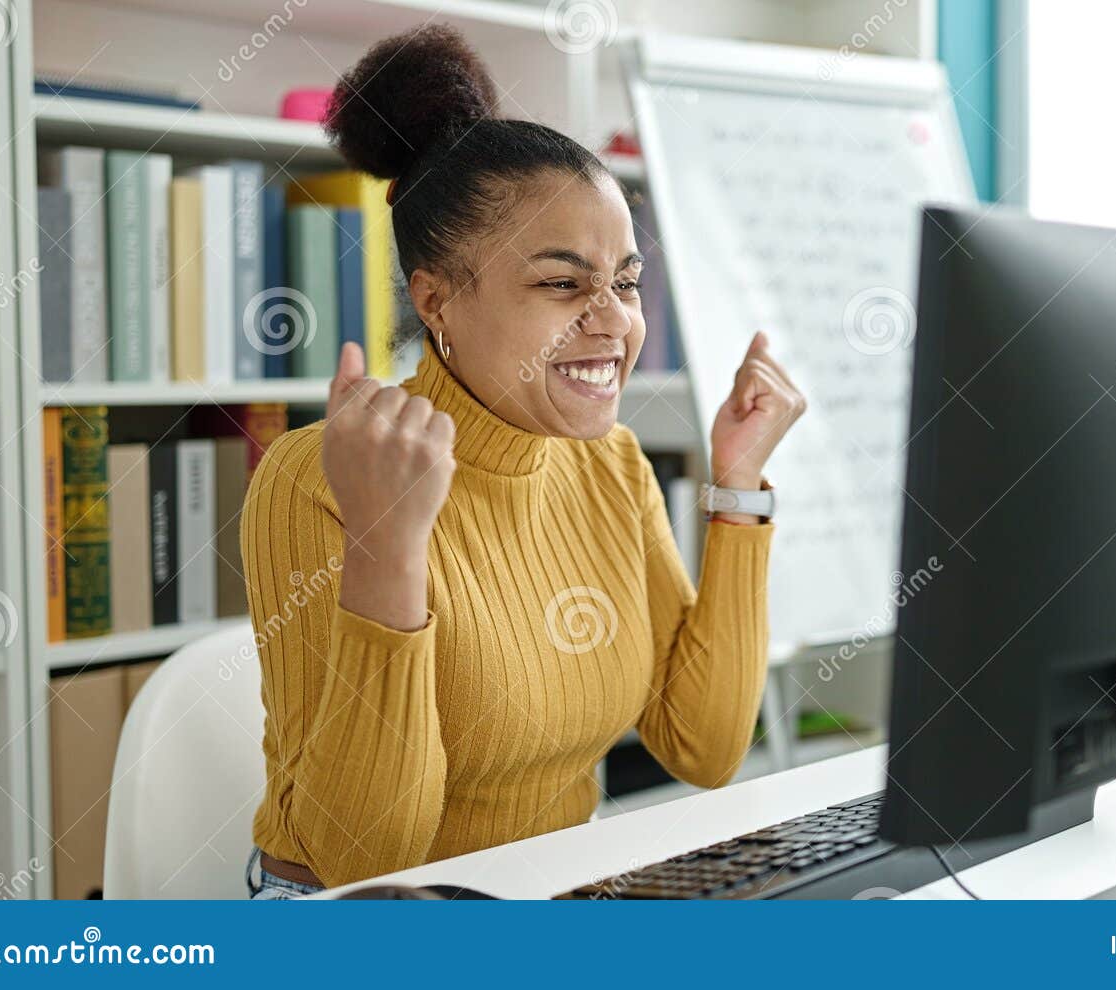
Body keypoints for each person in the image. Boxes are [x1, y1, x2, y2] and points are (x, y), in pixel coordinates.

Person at [240, 25, 806, 899]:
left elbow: (704, 747)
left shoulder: (611, 464)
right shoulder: (318, 477)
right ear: (437, 300)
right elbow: (367, 862)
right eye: (562, 284)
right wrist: (387, 546)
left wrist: (738, 491)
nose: (615, 322)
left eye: (625, 282)